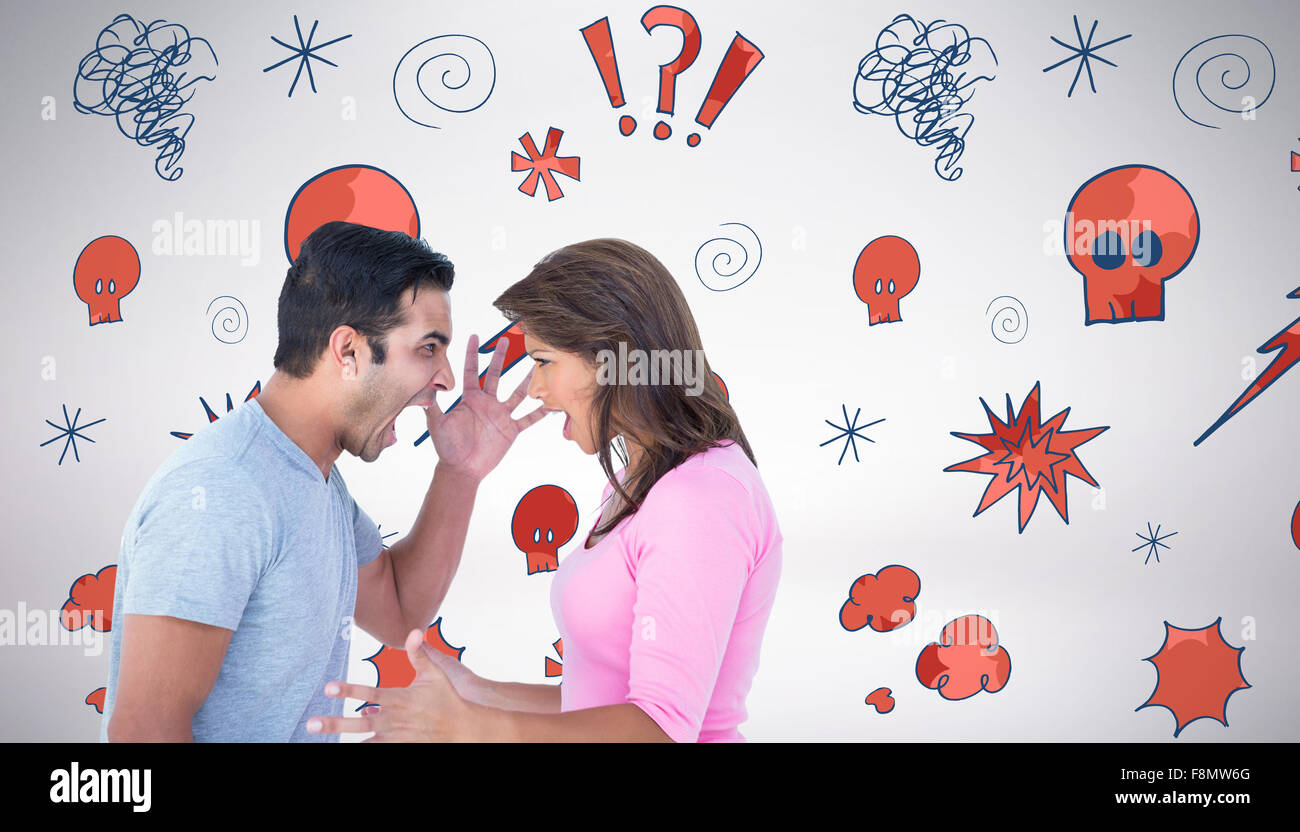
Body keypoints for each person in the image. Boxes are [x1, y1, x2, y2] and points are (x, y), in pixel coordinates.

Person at [306, 238, 784, 742]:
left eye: (544, 361)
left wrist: (472, 727)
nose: (534, 387)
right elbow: (601, 702)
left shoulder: (700, 498)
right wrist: (477, 692)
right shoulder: (639, 481)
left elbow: (659, 729)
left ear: (612, 361)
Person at [102, 221, 546, 742]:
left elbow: (400, 609)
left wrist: (460, 472)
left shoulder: (318, 481)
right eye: (428, 348)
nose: (446, 378)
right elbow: (144, 730)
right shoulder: (223, 489)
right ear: (349, 352)